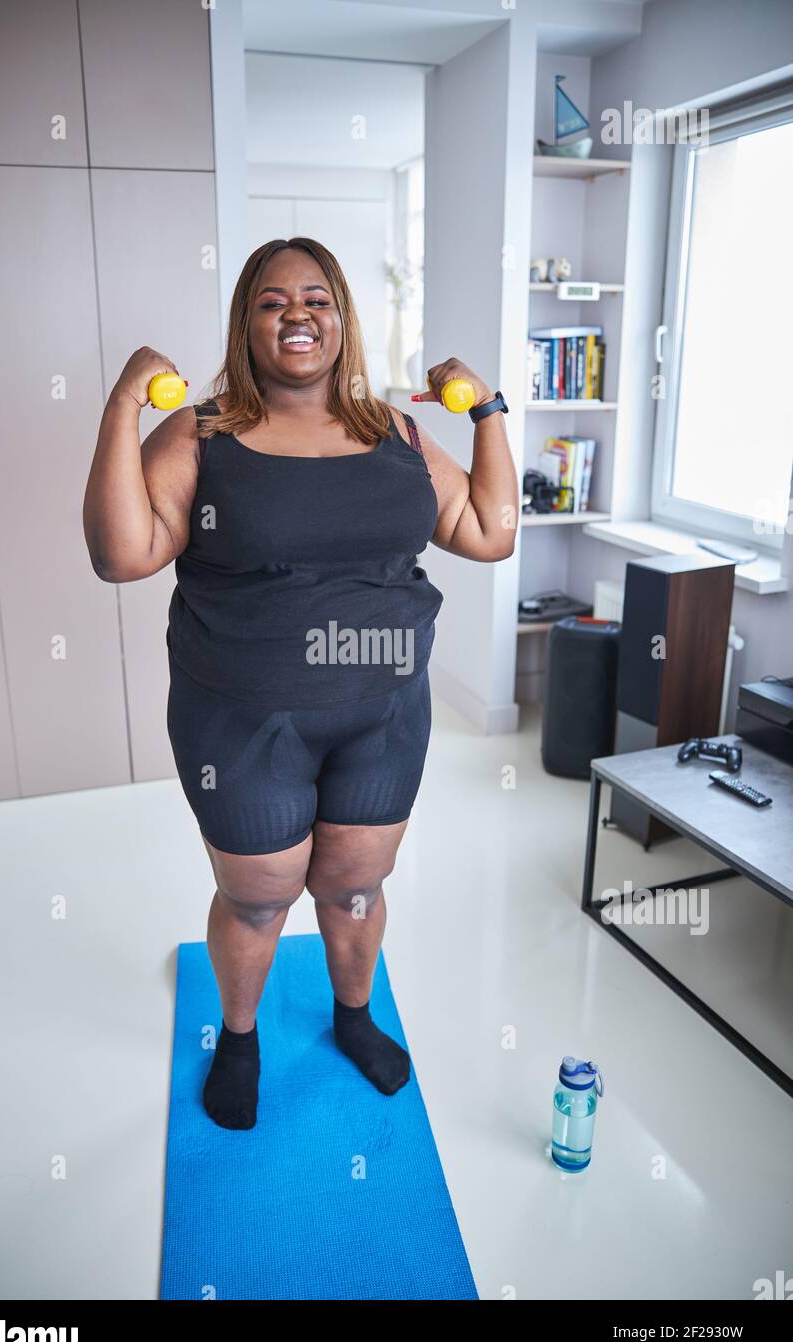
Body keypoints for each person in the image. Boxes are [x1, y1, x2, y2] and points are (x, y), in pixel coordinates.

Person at [83, 236, 518, 1130]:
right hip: (241, 721)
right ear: (247, 322)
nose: (297, 315)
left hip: (385, 714)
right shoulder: (201, 432)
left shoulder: (395, 431)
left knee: (354, 888)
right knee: (257, 897)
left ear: (342, 318)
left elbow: (486, 528)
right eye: (273, 301)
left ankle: (353, 1018)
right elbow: (120, 554)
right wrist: (124, 405)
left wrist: (489, 410)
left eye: (316, 298)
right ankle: (239, 1039)